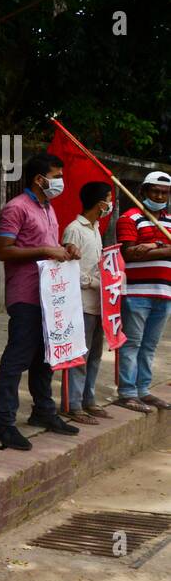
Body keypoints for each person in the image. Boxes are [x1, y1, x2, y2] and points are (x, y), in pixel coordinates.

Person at [0, 153, 82, 450]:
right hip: (25, 294)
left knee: (45, 357)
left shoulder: (48, 208)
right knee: (17, 358)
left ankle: (43, 411)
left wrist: (64, 248)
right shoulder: (16, 208)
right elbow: (2, 251)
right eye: (57, 176)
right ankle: (3, 421)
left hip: (49, 296)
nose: (61, 182)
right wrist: (45, 250)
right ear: (40, 179)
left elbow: (48, 247)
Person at [114, 170, 171, 412]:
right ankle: (127, 393)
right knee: (132, 344)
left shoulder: (169, 220)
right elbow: (128, 253)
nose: (159, 196)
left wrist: (149, 246)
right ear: (143, 191)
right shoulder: (130, 218)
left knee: (149, 346)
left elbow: (140, 252)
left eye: (165, 193)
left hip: (164, 293)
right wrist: (164, 247)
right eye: (155, 191)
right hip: (136, 292)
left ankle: (143, 390)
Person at [59, 181, 114, 423]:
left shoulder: (96, 229)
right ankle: (72, 404)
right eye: (109, 200)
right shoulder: (74, 229)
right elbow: (70, 270)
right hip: (80, 303)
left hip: (98, 304)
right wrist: (95, 282)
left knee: (94, 355)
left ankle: (88, 399)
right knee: (79, 356)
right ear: (101, 204)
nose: (111, 204)